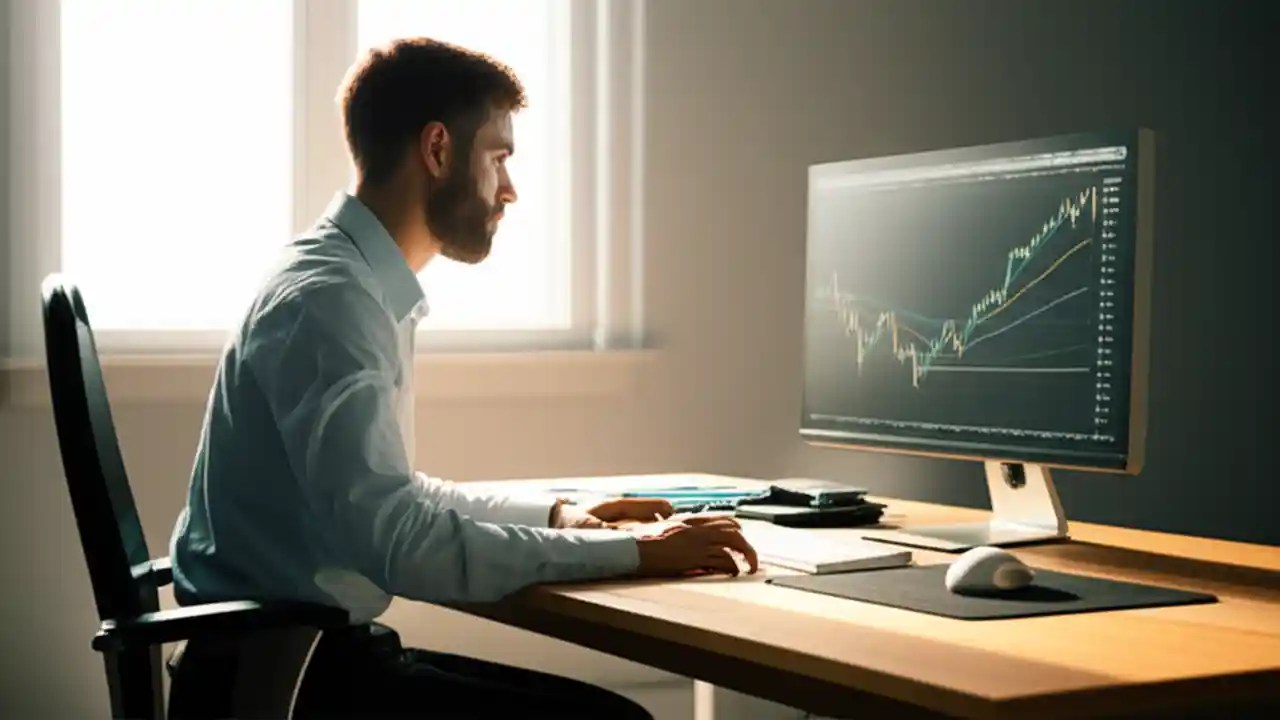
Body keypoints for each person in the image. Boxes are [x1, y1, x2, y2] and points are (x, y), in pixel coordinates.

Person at [167, 37, 758, 719]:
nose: (510, 190)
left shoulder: (342, 280)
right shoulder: (332, 301)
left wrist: (564, 517)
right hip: (283, 684)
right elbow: (399, 540)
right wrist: (631, 553)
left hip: (293, 660)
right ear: (439, 150)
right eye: (499, 157)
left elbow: (394, 498)